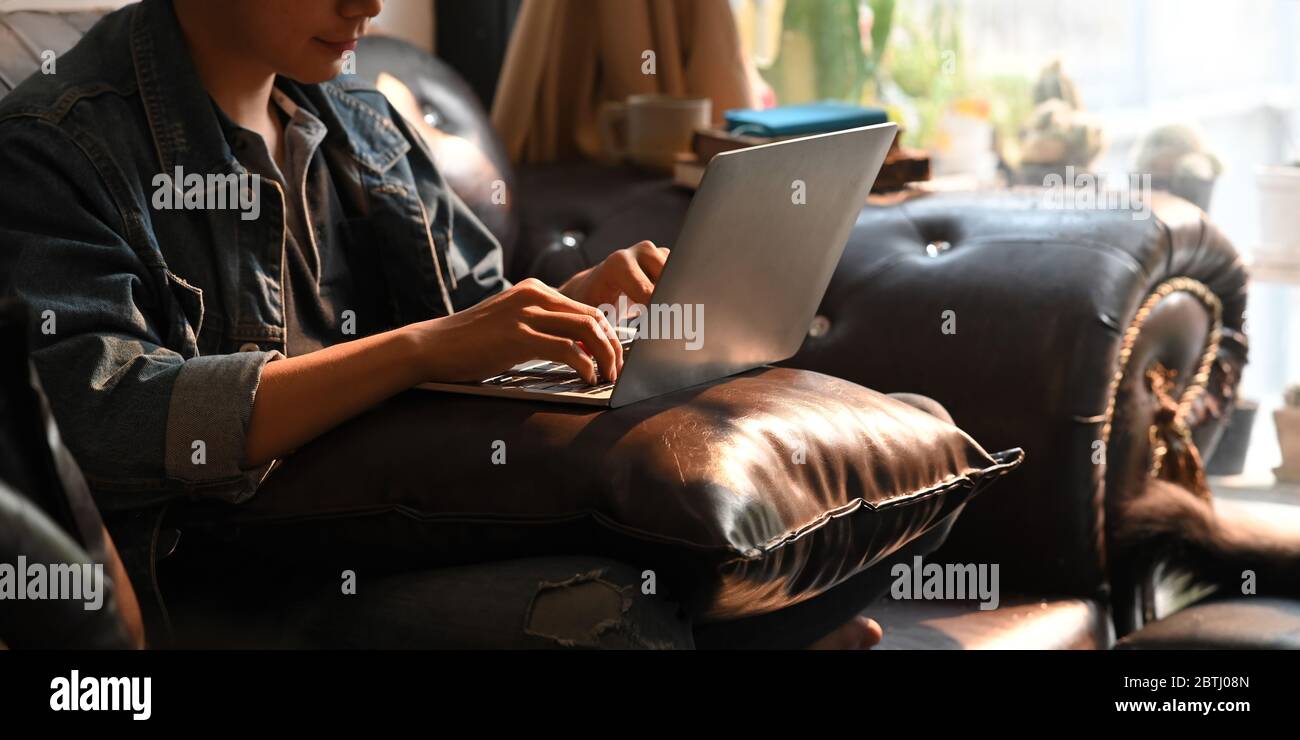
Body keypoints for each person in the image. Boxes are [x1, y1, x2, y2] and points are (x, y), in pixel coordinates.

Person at [0, 0, 949, 649]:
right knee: (620, 616)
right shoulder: (57, 146)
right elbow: (116, 424)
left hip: (417, 509)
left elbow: (476, 316)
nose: (370, 2)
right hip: (232, 571)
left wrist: (569, 305)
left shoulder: (359, 116)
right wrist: (424, 350)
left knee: (903, 469)